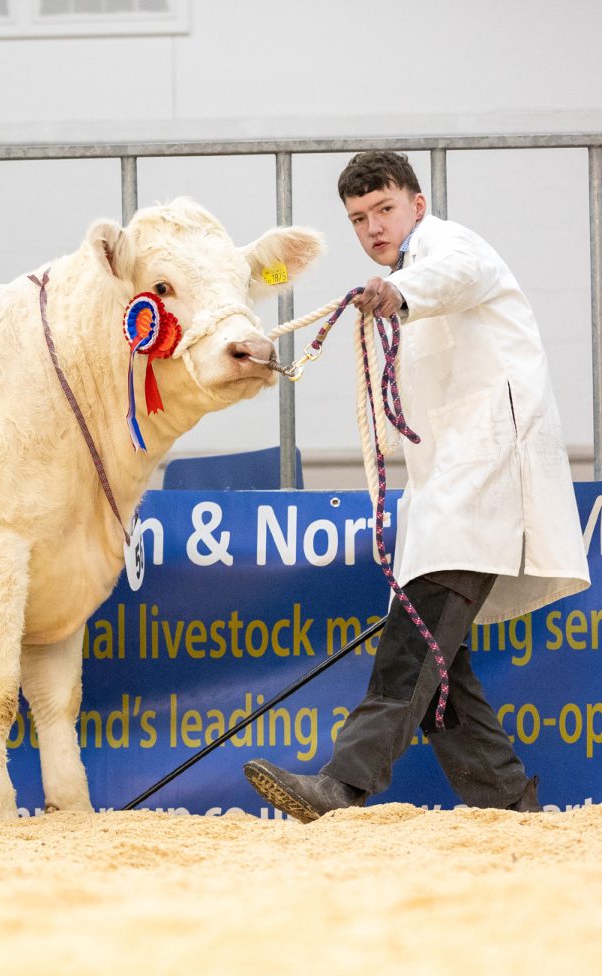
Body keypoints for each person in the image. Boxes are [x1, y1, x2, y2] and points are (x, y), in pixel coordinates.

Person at [243, 150, 590, 821]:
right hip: (455, 490)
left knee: (413, 649)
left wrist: (400, 293)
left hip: (482, 485)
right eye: (358, 218)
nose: (373, 226)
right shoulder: (406, 274)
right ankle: (506, 802)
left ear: (417, 204)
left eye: (384, 209)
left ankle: (342, 788)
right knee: (439, 671)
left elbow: (457, 274)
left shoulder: (446, 245)